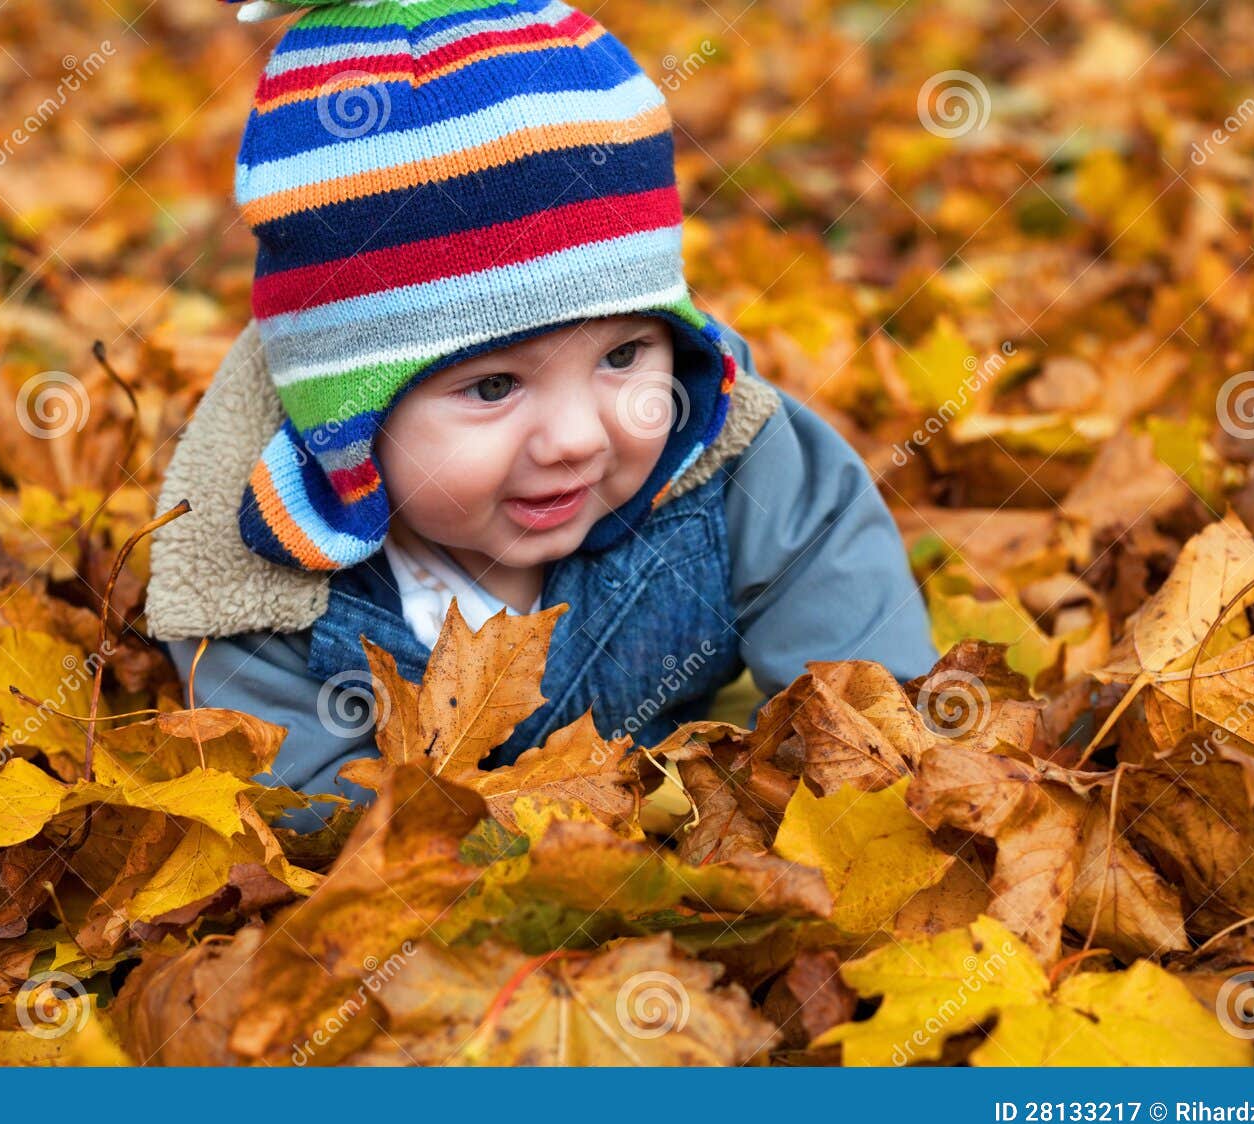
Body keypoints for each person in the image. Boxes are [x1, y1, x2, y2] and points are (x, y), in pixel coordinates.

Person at [144, 0, 937, 830]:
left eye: (623, 356)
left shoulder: (737, 470)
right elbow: (316, 812)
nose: (579, 439)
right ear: (345, 420)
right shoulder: (259, 589)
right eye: (493, 388)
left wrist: (833, 798)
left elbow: (864, 680)